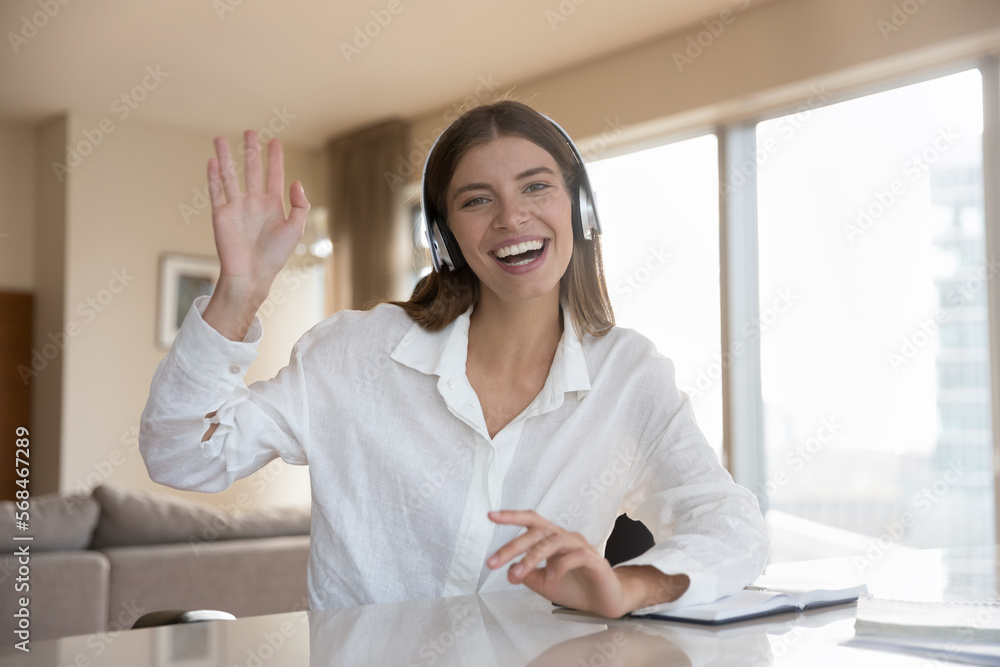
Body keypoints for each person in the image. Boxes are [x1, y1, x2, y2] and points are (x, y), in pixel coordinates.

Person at [140, 100, 769, 619]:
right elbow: (182, 454)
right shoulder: (355, 353)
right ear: (445, 237)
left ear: (578, 210)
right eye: (476, 200)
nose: (512, 216)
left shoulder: (628, 375)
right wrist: (239, 293)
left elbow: (730, 523)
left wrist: (633, 586)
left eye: (536, 187)